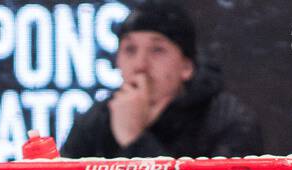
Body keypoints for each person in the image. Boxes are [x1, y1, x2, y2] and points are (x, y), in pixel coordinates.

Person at [58, 0, 263, 159]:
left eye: (157, 50)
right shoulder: (95, 121)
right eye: (130, 49)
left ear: (187, 67)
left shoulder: (228, 120)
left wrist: (134, 139)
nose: (140, 65)